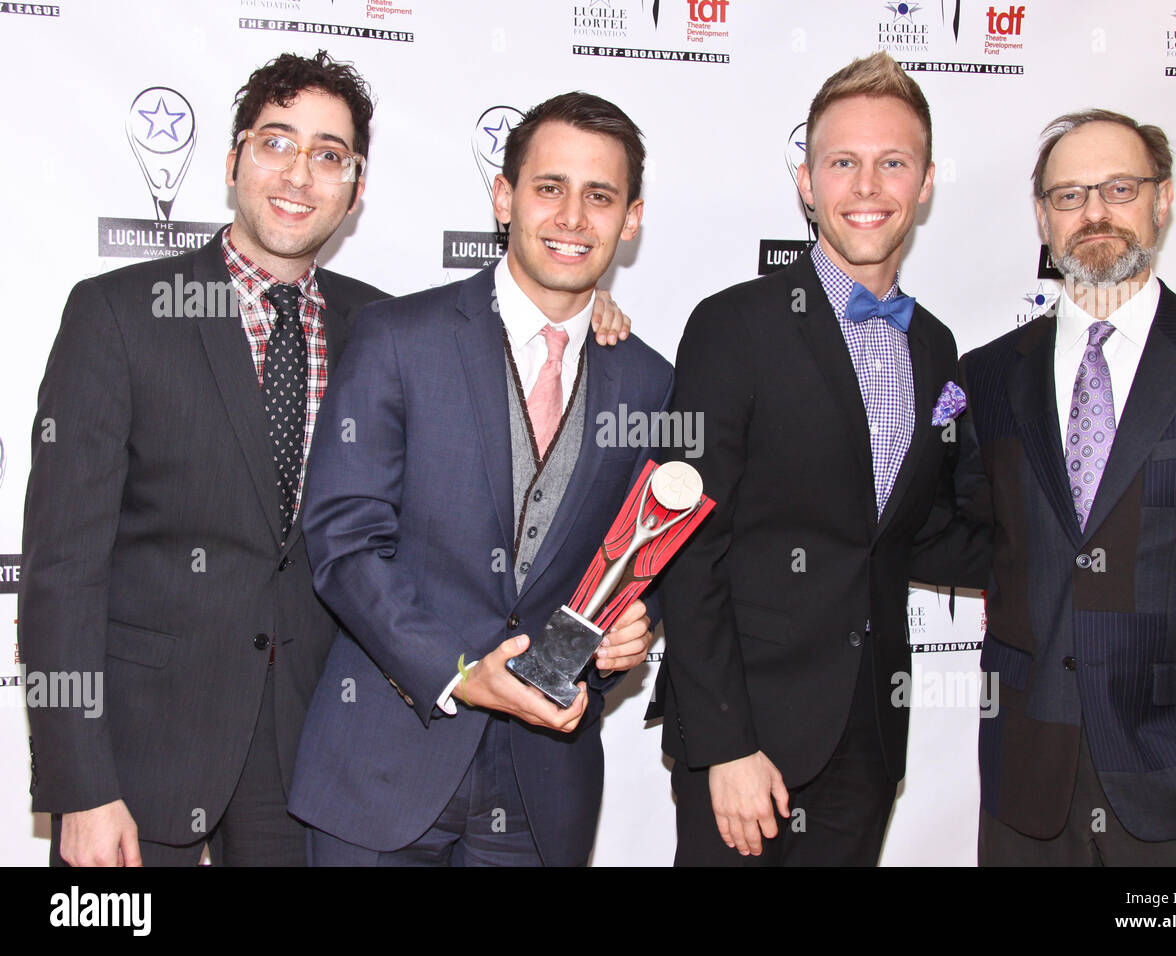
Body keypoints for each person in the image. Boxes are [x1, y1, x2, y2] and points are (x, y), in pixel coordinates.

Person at [19, 51, 633, 868]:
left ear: (356, 185)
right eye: (277, 143)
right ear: (234, 159)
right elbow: (62, 571)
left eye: (330, 155)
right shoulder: (119, 314)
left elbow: (530, 338)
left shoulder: (384, 329)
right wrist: (80, 784)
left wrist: (590, 313)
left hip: (313, 750)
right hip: (141, 750)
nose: (300, 175)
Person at [288, 91, 673, 866]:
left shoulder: (650, 382)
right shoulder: (397, 337)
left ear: (630, 219)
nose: (572, 217)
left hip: (542, 790)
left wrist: (637, 623)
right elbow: (343, 541)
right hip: (381, 770)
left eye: (599, 196)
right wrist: (459, 675)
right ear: (503, 198)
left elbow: (643, 552)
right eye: (548, 187)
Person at [658, 52, 988, 866]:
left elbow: (916, 530)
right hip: (749, 745)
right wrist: (725, 746)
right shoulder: (732, 326)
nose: (867, 187)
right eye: (843, 162)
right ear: (807, 181)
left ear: (926, 181)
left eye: (892, 163)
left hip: (869, 741)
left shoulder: (937, 346)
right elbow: (685, 543)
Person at [960, 109, 1176, 865]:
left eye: (1118, 187)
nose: (1095, 213)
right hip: (1028, 785)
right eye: (1069, 195)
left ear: (1163, 198)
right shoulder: (987, 374)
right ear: (1043, 216)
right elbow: (975, 537)